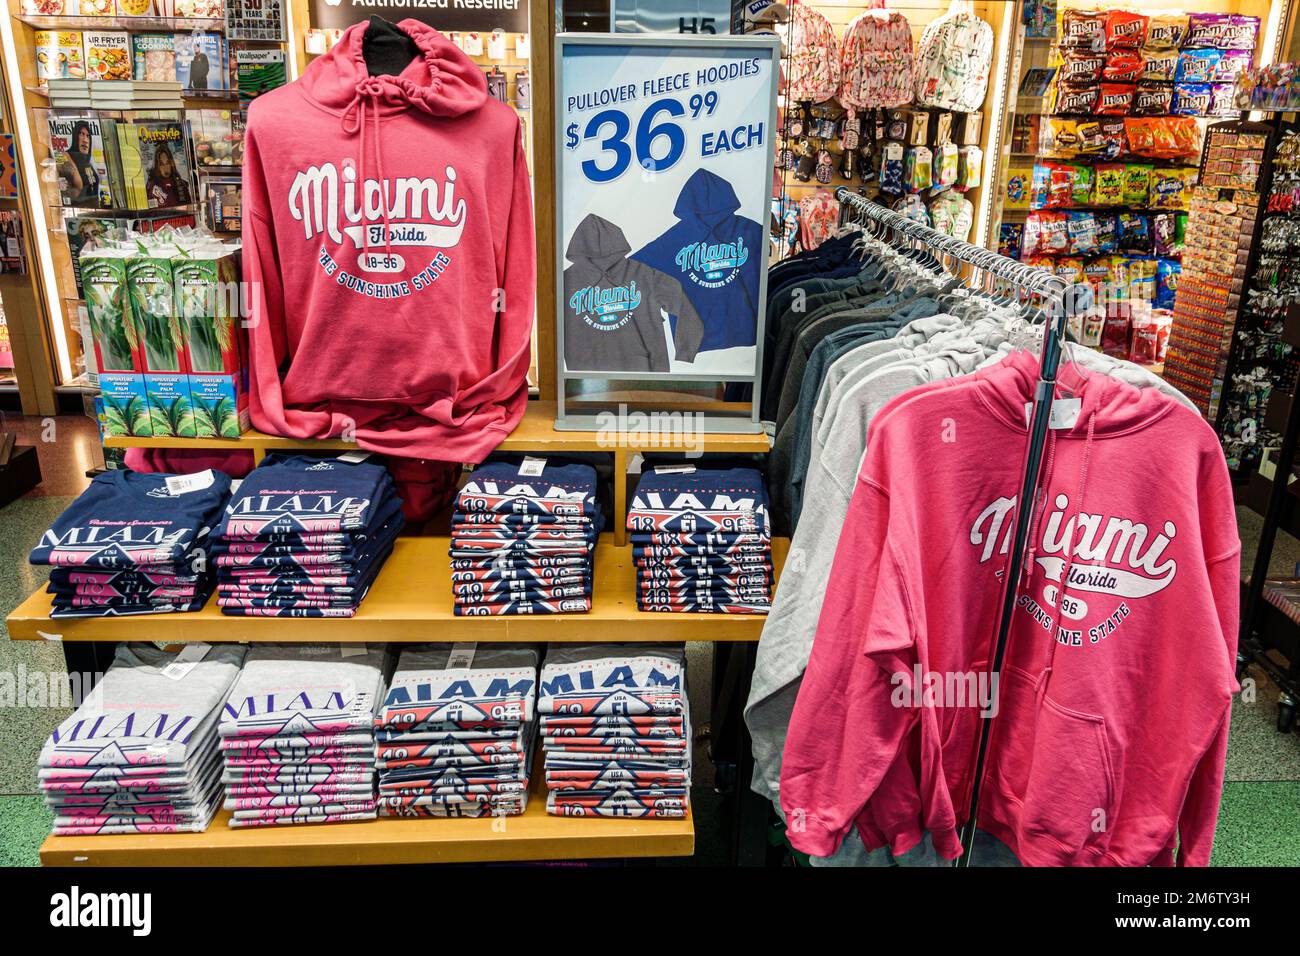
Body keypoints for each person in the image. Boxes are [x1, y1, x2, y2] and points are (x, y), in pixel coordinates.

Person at [56, 121, 101, 207]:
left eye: (88, 136)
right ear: (75, 136)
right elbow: (65, 191)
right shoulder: (63, 156)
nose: (85, 140)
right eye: (81, 134)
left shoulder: (87, 161)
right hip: (76, 209)